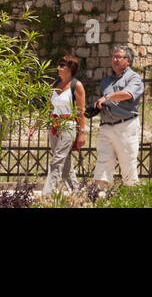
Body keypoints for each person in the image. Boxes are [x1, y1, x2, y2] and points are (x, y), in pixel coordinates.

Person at [93, 45, 144, 187]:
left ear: (128, 61)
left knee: (127, 164)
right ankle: (98, 196)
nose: (114, 60)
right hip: (106, 126)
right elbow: (104, 99)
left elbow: (128, 94)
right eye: (113, 57)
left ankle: (131, 198)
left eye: (118, 57)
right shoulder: (106, 82)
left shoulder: (134, 78)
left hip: (125, 126)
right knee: (103, 163)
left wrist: (108, 97)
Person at [42, 54, 86, 196]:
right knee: (64, 160)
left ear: (70, 68)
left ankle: (47, 194)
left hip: (69, 126)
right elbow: (48, 108)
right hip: (54, 126)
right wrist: (37, 125)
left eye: (62, 65)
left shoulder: (76, 86)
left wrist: (81, 133)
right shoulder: (54, 85)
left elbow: (81, 111)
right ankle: (76, 191)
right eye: (59, 65)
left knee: (57, 160)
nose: (59, 68)